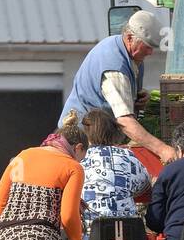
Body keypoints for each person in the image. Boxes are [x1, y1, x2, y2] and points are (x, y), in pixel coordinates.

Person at [60, 11, 175, 164]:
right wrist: (163, 149)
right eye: (147, 46)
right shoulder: (114, 67)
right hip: (81, 144)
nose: (151, 52)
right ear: (129, 38)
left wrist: (136, 96)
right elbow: (125, 122)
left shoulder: (123, 50)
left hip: (98, 138)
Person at [80, 109, 151, 240]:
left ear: (86, 134)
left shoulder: (79, 160)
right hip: (126, 236)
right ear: (114, 131)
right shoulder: (127, 156)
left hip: (89, 239)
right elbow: (145, 185)